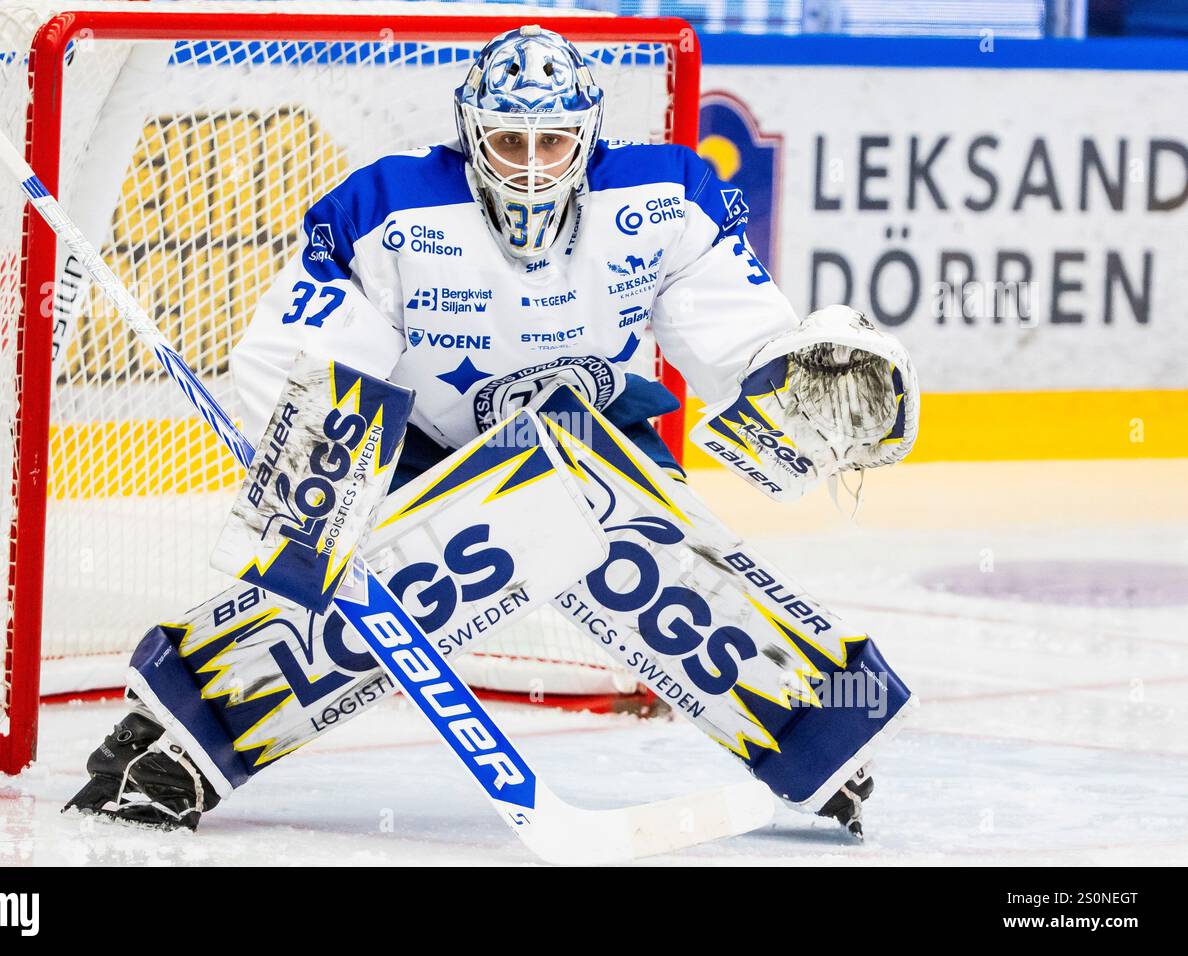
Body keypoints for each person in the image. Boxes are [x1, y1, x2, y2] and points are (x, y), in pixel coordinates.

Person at [67, 25, 913, 838]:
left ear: (587, 138)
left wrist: (785, 376)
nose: (533, 166)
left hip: (595, 432)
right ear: (472, 135)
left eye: (554, 143)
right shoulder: (388, 207)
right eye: (511, 142)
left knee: (648, 553)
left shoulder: (663, 198)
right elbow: (310, 358)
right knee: (384, 583)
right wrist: (322, 480)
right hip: (425, 449)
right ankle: (173, 746)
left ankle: (819, 735)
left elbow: (736, 337)